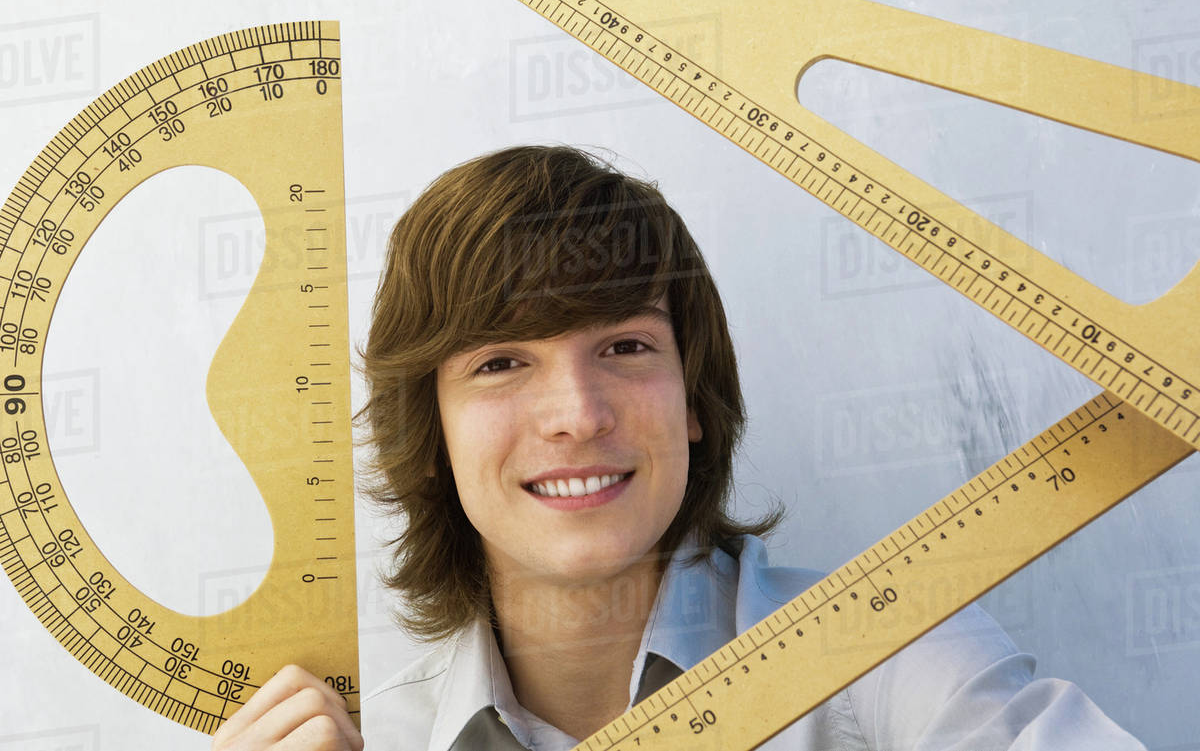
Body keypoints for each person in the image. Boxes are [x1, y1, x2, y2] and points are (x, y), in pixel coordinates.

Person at [211, 145, 1145, 751]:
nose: (578, 413)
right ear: (429, 434)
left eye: (624, 346)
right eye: (501, 363)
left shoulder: (886, 653)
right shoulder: (370, 736)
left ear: (692, 400)